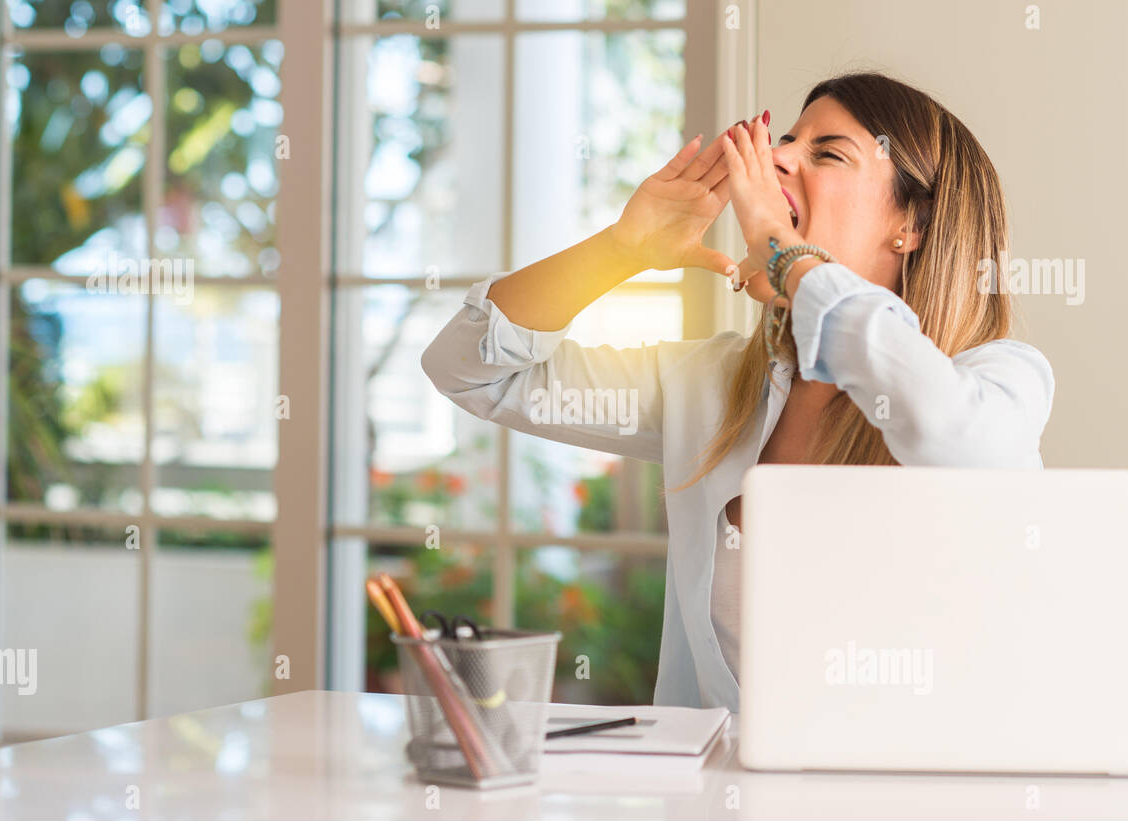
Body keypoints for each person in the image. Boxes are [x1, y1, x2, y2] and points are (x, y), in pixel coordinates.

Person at [421, 71, 1055, 711]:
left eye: (827, 152)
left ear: (910, 226)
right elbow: (468, 370)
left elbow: (947, 435)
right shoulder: (708, 385)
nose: (776, 157)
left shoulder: (1003, 379)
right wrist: (621, 250)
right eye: (785, 141)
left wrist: (786, 253)